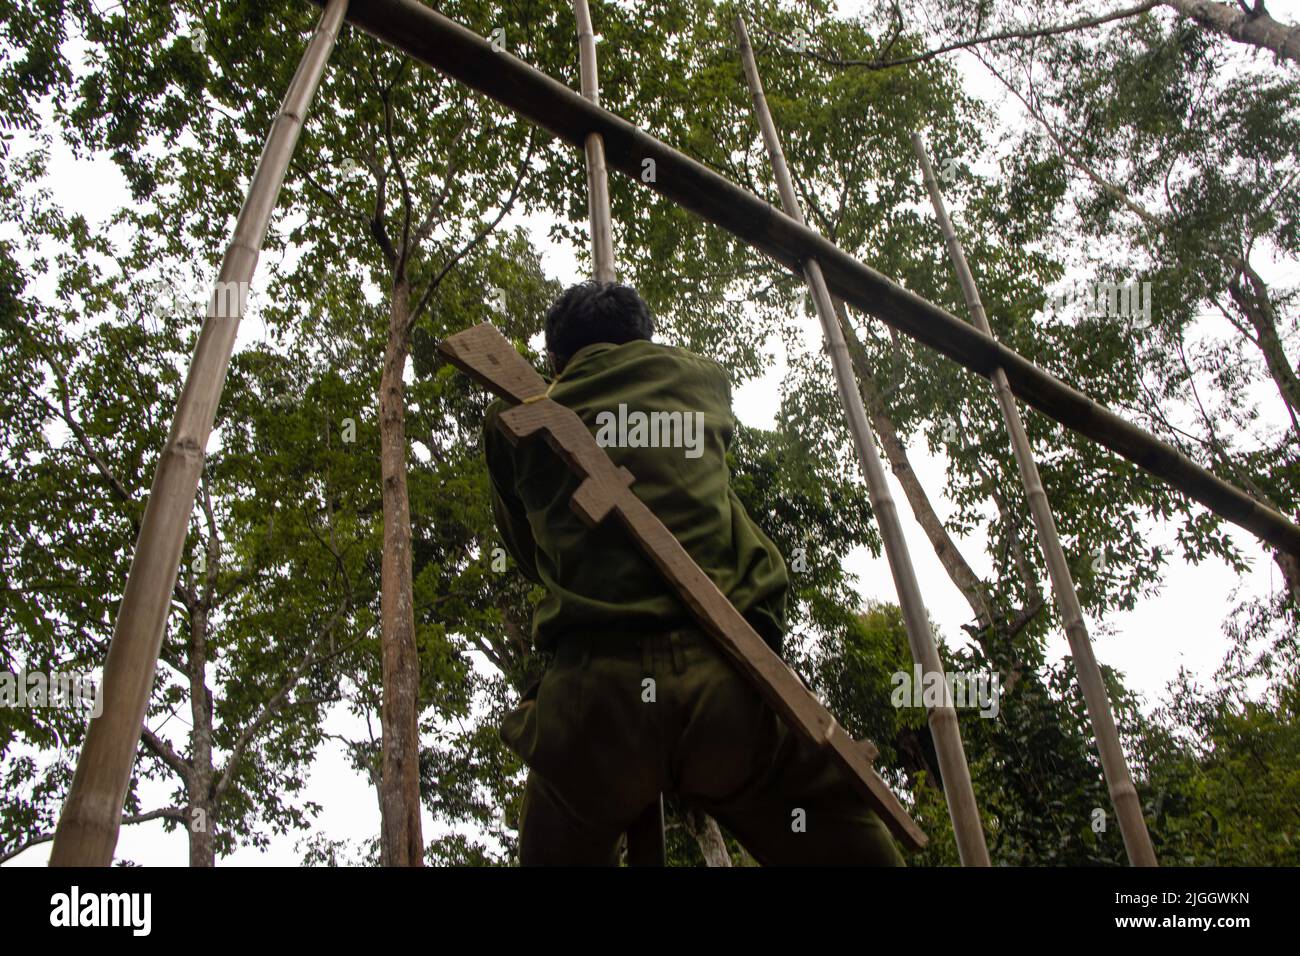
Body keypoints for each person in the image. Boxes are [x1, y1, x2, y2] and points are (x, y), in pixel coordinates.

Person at [484, 280, 904, 866]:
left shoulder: (515, 421)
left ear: (555, 359)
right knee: (848, 844)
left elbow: (528, 557)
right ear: (644, 338)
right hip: (730, 683)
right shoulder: (703, 380)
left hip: (597, 708)